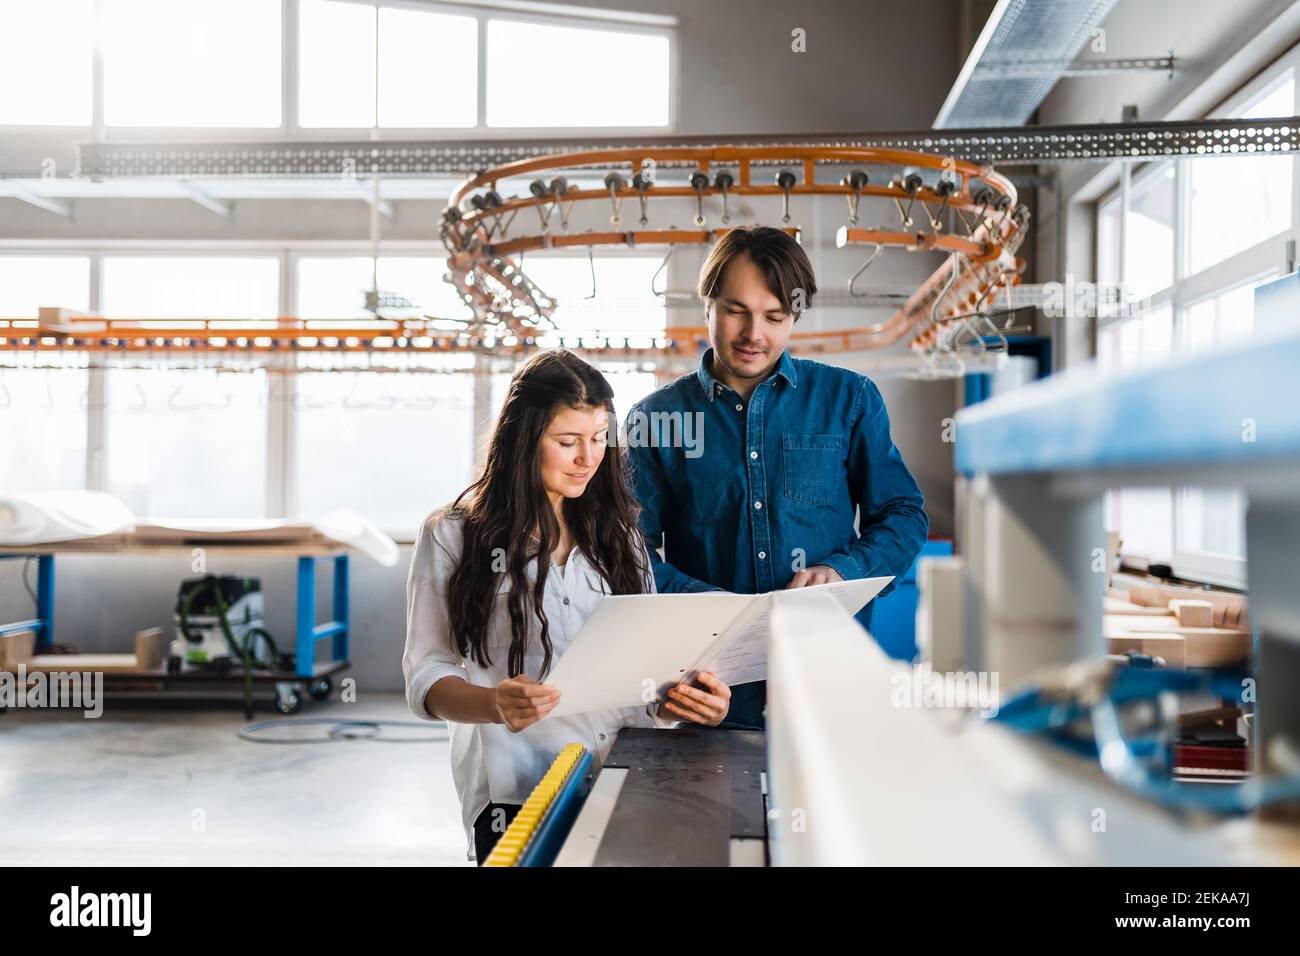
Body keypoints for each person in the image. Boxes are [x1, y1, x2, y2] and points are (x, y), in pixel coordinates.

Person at [403, 348, 731, 863]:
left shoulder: (620, 533)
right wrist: (494, 705)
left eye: (600, 438)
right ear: (522, 440)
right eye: (568, 441)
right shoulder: (452, 535)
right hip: (519, 790)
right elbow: (427, 672)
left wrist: (682, 704)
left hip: (627, 774)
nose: (589, 458)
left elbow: (645, 669)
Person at [626, 226, 929, 731]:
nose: (754, 335)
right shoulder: (656, 419)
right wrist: (707, 604)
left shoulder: (848, 400)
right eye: (736, 311)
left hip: (831, 682)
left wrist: (844, 570)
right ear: (708, 304)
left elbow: (903, 515)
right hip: (708, 691)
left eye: (774, 316)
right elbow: (624, 549)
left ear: (794, 317)